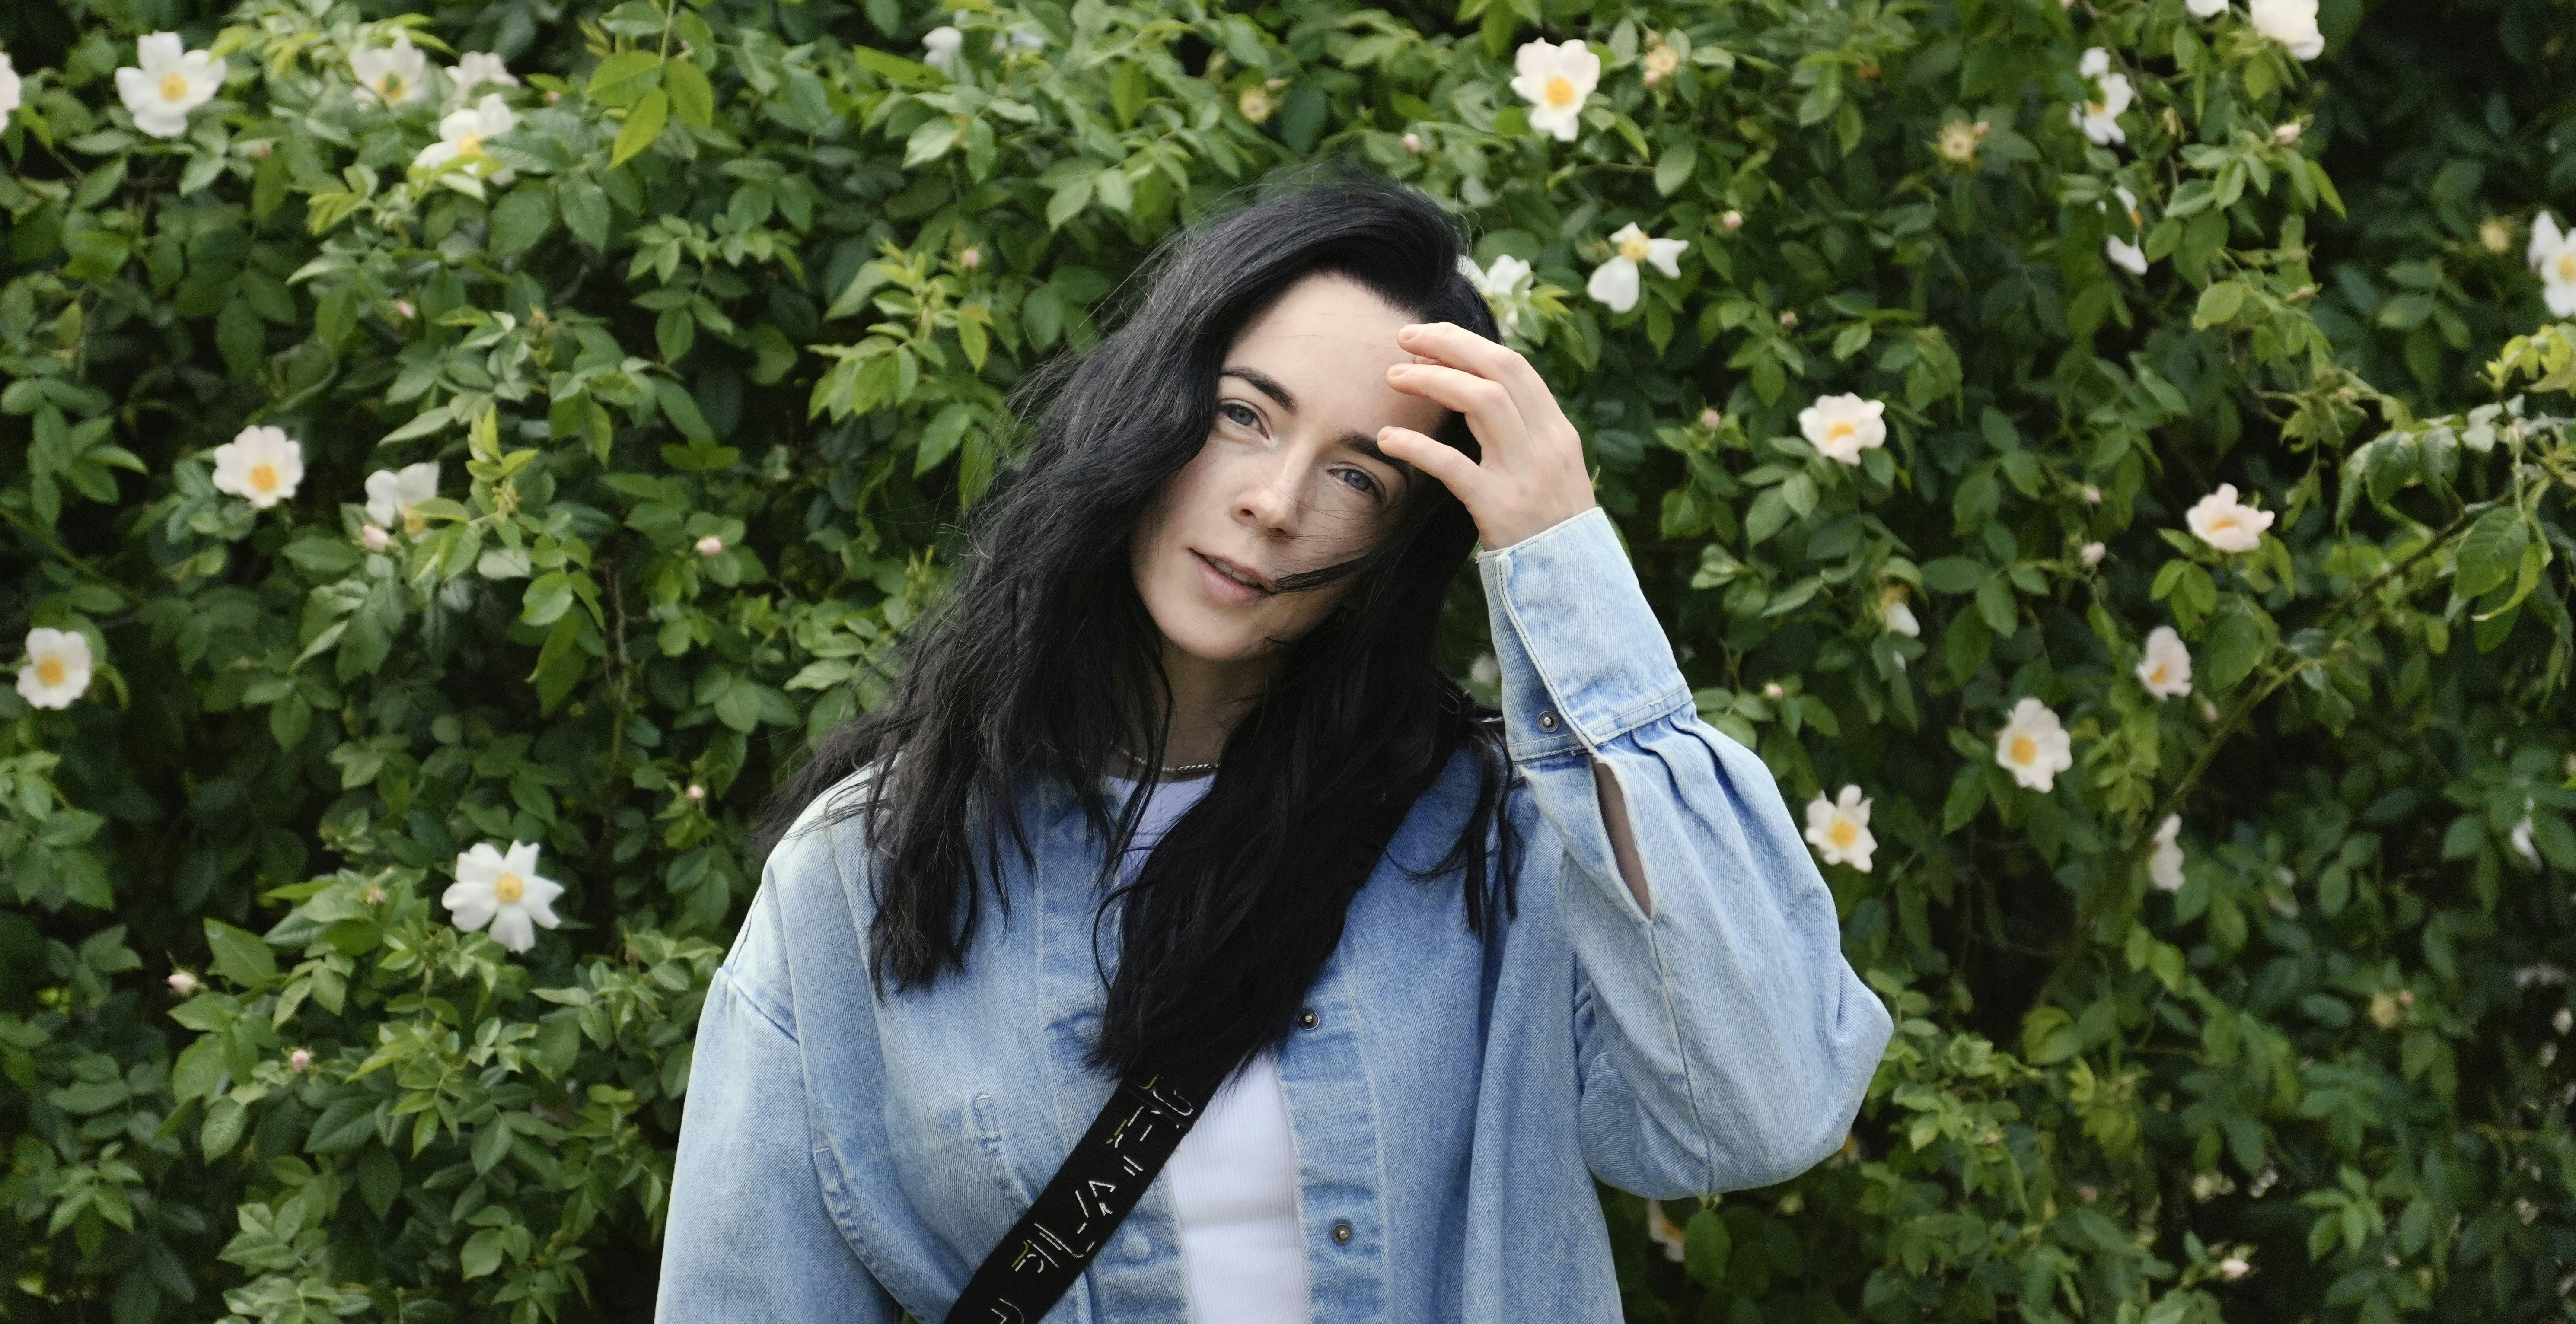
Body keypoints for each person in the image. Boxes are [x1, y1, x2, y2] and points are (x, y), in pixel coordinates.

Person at [655, 175, 1892, 1322]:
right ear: (1152, 404)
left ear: (1399, 546)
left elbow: (1764, 1106)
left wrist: (1563, 556)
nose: (1276, 501)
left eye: (1359, 476)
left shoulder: (1489, 853)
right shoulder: (873, 868)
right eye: (1246, 416)